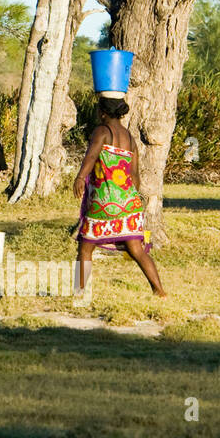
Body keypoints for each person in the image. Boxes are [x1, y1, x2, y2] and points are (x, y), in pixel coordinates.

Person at [72, 96, 166, 297]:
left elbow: (91, 155)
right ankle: (159, 290)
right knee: (137, 249)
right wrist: (131, 200)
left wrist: (80, 177)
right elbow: (134, 175)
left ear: (103, 113)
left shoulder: (102, 131)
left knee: (86, 247)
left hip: (104, 202)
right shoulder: (130, 137)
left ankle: (79, 293)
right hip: (129, 202)